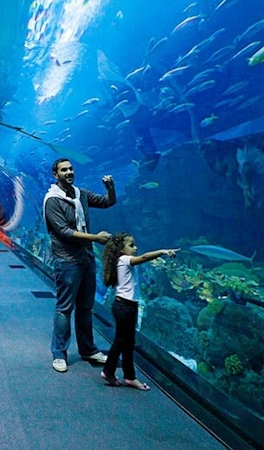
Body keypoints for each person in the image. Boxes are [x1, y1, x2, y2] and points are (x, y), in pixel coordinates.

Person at [43, 158, 116, 372]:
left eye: (71, 168)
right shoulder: (52, 201)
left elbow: (106, 202)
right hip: (67, 261)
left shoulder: (80, 194)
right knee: (64, 308)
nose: (69, 172)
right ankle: (59, 354)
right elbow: (63, 232)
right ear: (55, 174)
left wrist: (110, 188)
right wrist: (95, 238)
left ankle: (88, 349)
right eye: (64, 170)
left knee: (85, 308)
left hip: (86, 259)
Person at [100, 233, 178, 389]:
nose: (135, 248)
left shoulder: (123, 261)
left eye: (135, 245)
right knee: (121, 341)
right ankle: (109, 371)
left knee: (128, 343)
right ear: (120, 249)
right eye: (131, 245)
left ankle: (129, 377)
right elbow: (143, 258)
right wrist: (162, 251)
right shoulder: (124, 260)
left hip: (129, 306)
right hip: (124, 307)